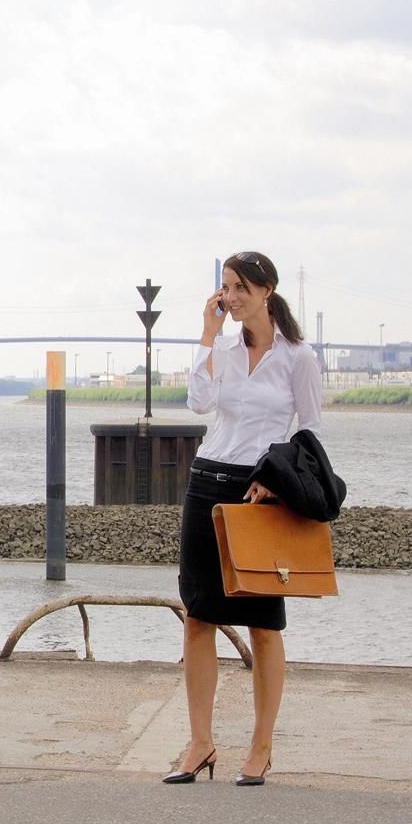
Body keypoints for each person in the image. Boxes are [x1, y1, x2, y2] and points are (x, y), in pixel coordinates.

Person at [163, 251, 322, 787]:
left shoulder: (298, 356)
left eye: (239, 289)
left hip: (261, 493)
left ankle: (260, 746)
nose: (229, 298)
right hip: (207, 482)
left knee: (264, 626)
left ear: (268, 290)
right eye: (225, 288)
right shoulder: (225, 348)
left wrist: (276, 479)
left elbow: (311, 430)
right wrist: (207, 336)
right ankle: (200, 742)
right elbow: (198, 404)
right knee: (198, 616)